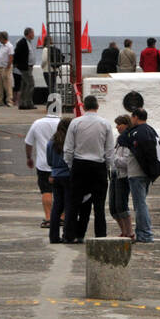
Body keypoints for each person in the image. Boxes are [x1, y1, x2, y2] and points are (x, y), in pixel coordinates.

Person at [63, 94, 112, 242]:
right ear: (97, 107)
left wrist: (71, 166)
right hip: (98, 165)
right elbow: (109, 150)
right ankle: (100, 235)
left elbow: (68, 148)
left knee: (74, 203)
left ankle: (70, 235)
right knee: (99, 206)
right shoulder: (105, 124)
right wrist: (108, 167)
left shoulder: (76, 123)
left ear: (83, 107)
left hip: (79, 164)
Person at [119, 108, 160, 243]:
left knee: (140, 205)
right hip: (147, 173)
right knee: (141, 203)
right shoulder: (151, 130)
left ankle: (145, 234)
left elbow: (122, 140)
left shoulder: (136, 132)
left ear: (136, 117)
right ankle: (143, 233)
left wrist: (129, 129)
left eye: (132, 118)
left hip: (136, 173)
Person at [25, 112, 60, 227]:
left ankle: (49, 218)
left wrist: (29, 157)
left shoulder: (37, 123)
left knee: (46, 190)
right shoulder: (63, 123)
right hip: (60, 162)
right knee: (62, 191)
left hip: (43, 163)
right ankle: (63, 217)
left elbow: (28, 143)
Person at [45, 117, 73, 244]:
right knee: (69, 206)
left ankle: (53, 236)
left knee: (56, 207)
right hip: (68, 175)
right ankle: (67, 234)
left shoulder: (52, 142)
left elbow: (49, 161)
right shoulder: (71, 142)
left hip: (56, 174)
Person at [108, 115, 135, 240]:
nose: (117, 127)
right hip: (114, 173)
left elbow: (127, 161)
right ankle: (123, 231)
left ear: (126, 125)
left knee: (121, 204)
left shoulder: (128, 139)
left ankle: (129, 232)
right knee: (113, 207)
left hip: (123, 175)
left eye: (120, 124)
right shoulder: (119, 139)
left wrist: (114, 159)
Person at [15, 27, 36, 109]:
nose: (34, 34)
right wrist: (19, 65)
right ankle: (28, 103)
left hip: (28, 66)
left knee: (24, 85)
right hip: (25, 67)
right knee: (30, 84)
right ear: (29, 33)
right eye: (32, 33)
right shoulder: (22, 42)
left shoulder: (29, 42)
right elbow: (16, 54)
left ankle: (22, 103)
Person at [41, 35, 62, 109]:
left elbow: (44, 60)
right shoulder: (55, 49)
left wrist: (42, 66)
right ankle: (54, 102)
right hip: (55, 70)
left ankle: (51, 103)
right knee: (53, 86)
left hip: (47, 70)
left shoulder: (46, 49)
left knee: (50, 87)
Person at [0, 31, 14, 106]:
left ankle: (9, 101)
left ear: (3, 38)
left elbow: (11, 57)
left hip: (6, 68)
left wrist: (8, 67)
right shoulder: (2, 46)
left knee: (7, 85)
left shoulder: (9, 46)